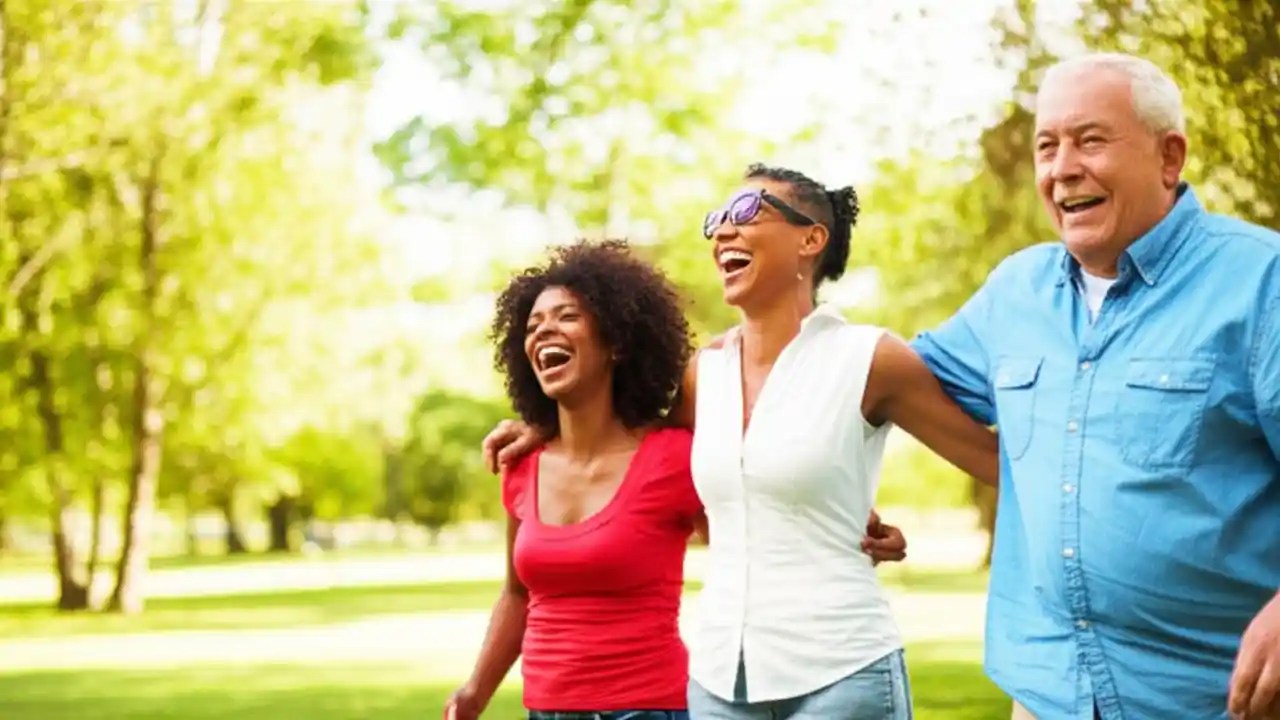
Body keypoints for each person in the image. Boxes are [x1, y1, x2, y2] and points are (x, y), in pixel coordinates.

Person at [486, 163, 1002, 719]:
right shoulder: (703, 373)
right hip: (719, 684)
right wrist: (547, 428)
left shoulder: (869, 358)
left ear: (811, 239)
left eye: (747, 213)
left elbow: (998, 464)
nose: (723, 232)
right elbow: (633, 456)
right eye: (717, 222)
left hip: (843, 674)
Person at [910, 52, 1280, 720]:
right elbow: (887, 382)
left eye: (1090, 140)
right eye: (1047, 147)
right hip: (1047, 696)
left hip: (1212, 703)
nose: (1062, 168)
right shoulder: (1015, 292)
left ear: (1170, 158)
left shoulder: (1262, 282)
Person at [444, 240, 701, 720]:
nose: (545, 332)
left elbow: (752, 531)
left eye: (566, 317)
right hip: (546, 711)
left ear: (617, 341)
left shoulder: (674, 457)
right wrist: (475, 691)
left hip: (646, 709)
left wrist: (850, 525)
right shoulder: (523, 465)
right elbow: (517, 593)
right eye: (533, 325)